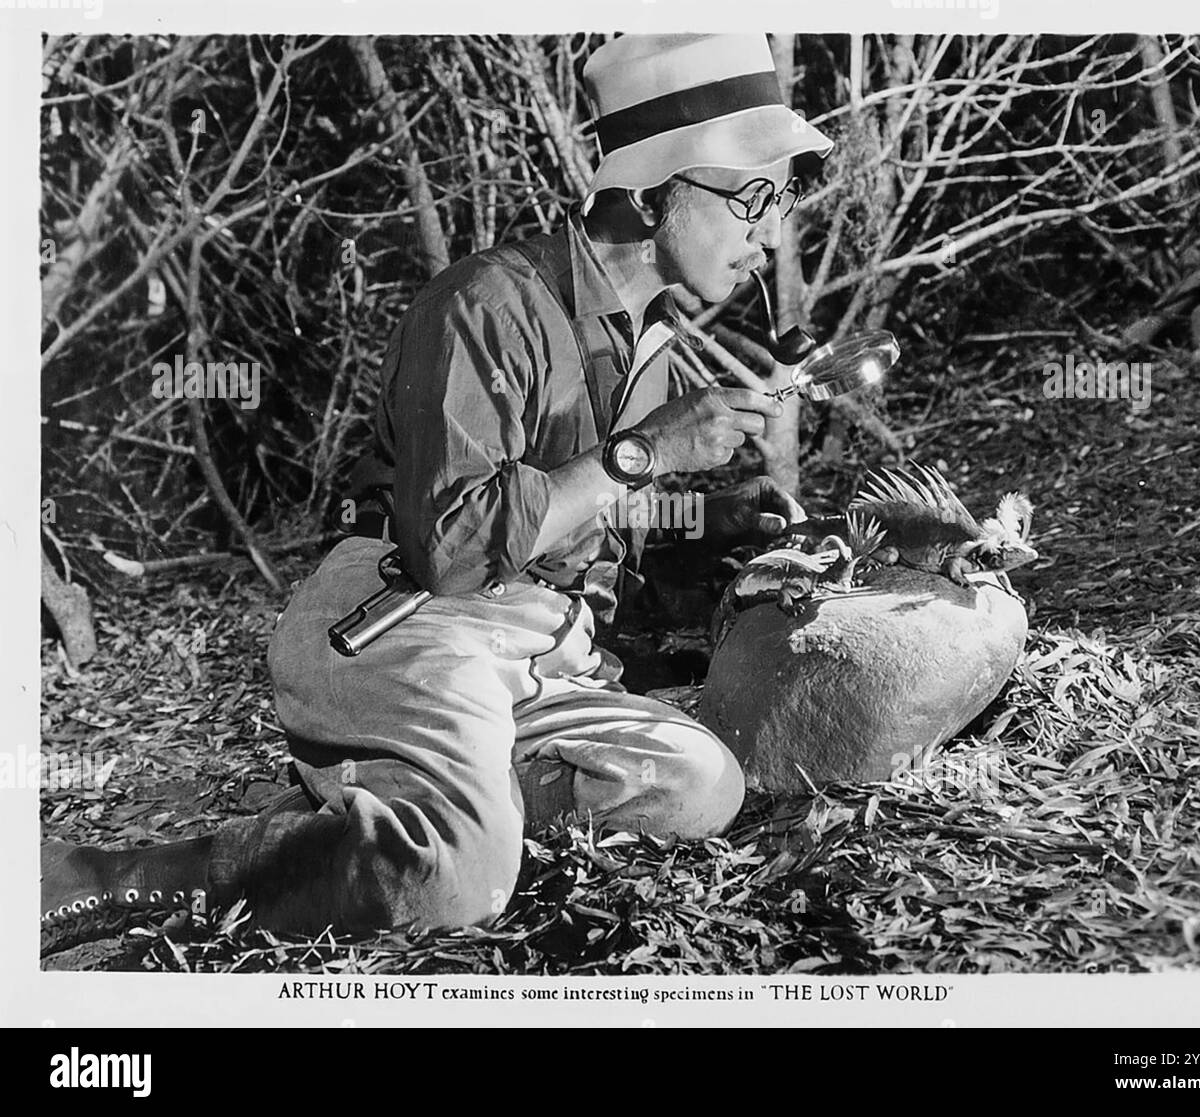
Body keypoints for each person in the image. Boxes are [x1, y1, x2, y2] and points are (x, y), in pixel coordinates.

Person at [40, 32, 834, 952]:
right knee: (459, 879)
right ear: (655, 189)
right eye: (751, 195)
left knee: (702, 785)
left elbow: (577, 541)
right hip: (400, 616)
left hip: (532, 645)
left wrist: (725, 532)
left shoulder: (644, 339)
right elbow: (451, 548)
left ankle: (426, 801)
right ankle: (107, 876)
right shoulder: (487, 303)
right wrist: (639, 456)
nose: (769, 231)